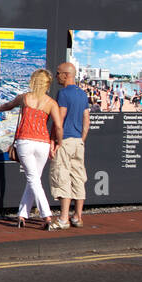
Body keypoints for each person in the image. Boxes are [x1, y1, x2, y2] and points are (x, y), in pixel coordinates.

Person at [0, 69, 64, 230]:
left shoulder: (24, 98)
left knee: (33, 179)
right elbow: (58, 126)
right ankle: (44, 216)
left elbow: (8, 106)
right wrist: (58, 143)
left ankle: (29, 215)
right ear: (47, 84)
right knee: (34, 179)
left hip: (25, 142)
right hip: (43, 143)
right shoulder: (51, 103)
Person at [51, 62, 89, 228]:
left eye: (59, 73)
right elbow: (86, 120)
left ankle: (63, 219)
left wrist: (55, 141)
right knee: (78, 178)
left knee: (62, 177)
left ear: (67, 75)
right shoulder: (82, 94)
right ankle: (78, 217)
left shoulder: (63, 93)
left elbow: (59, 120)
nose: (57, 76)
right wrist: (81, 139)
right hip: (78, 143)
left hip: (65, 141)